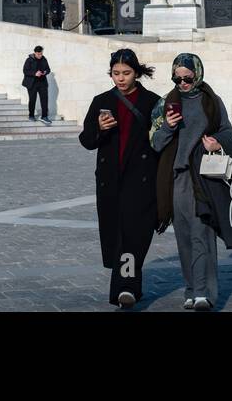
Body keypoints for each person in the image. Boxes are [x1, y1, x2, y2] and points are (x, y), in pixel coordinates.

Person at [149, 53, 232, 312]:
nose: (182, 83)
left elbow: (227, 131)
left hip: (204, 177)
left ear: (197, 74)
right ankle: (190, 290)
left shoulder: (211, 101)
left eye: (187, 78)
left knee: (202, 232)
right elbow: (155, 142)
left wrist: (218, 142)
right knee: (184, 237)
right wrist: (167, 126)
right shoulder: (165, 104)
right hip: (176, 179)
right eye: (176, 79)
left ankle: (204, 292)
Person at [78, 49, 161, 308]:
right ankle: (128, 287)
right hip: (111, 181)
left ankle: (126, 289)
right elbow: (86, 140)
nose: (121, 78)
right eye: (116, 73)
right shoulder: (101, 100)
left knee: (134, 235)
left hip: (142, 179)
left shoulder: (152, 101)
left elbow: (161, 140)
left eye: (126, 73)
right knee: (119, 235)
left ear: (136, 73)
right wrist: (99, 129)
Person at [21, 45, 52, 124]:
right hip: (32, 83)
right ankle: (31, 115)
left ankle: (44, 116)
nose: (40, 55)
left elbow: (48, 69)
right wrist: (35, 73)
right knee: (32, 99)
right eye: (38, 54)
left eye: (41, 54)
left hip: (42, 83)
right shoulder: (29, 60)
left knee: (44, 99)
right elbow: (25, 71)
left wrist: (45, 72)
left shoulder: (44, 59)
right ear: (35, 53)